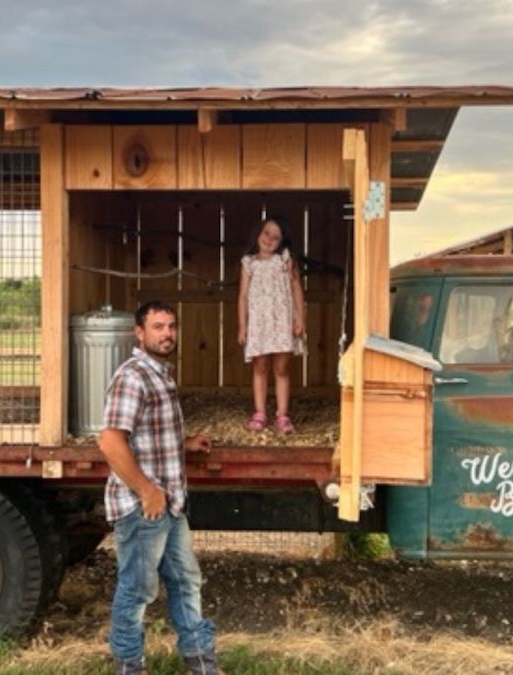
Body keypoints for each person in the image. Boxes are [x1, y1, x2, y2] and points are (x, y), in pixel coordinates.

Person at [98, 300, 221, 675]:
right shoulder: (133, 376)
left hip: (170, 503)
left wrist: (186, 444)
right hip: (144, 507)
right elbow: (110, 441)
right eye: (158, 327)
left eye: (171, 326)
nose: (167, 333)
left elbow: (146, 435)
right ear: (139, 333)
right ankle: (129, 668)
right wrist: (146, 490)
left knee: (186, 580)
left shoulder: (160, 375)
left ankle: (201, 664)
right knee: (137, 591)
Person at [236, 216, 306, 434]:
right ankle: (260, 413)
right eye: (266, 233)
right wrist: (242, 326)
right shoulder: (249, 263)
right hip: (259, 324)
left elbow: (296, 289)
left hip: (282, 322)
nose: (269, 239)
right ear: (258, 233)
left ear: (281, 242)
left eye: (275, 237)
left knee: (282, 368)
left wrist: (300, 318)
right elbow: (243, 296)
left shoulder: (285, 260)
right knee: (260, 367)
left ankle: (282, 416)